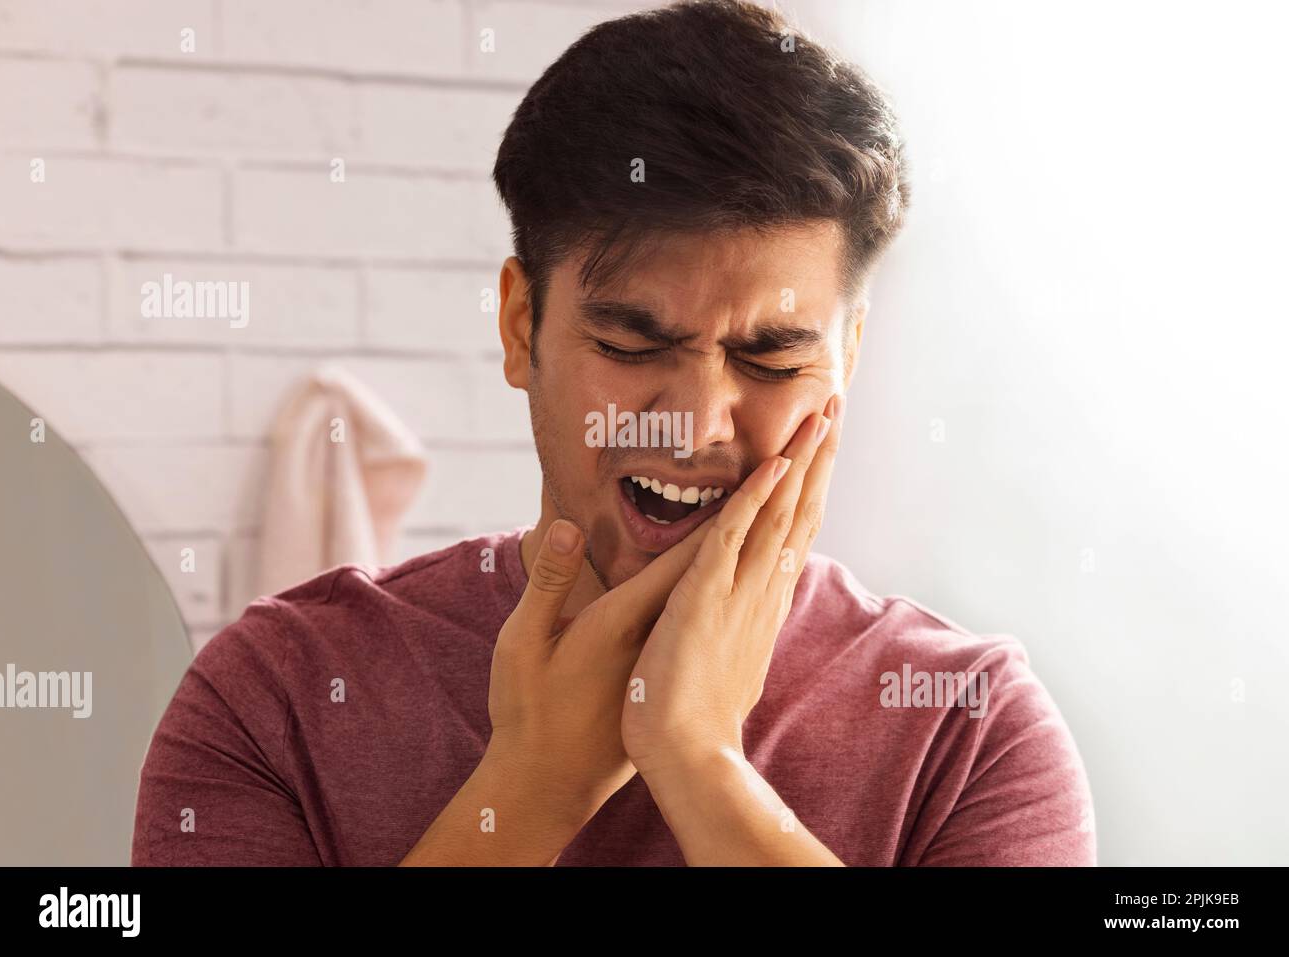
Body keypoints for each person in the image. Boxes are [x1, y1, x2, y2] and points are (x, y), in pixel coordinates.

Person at [132, 0, 1094, 866]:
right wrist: (535, 785)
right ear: (520, 328)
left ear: (847, 357)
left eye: (770, 359)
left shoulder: (970, 730)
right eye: (633, 342)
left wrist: (698, 758)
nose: (699, 422)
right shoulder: (273, 698)